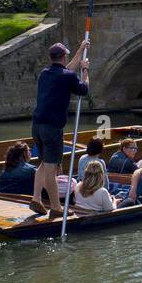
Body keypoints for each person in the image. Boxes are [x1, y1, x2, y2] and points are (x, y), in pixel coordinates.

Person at [30, 40, 89, 216]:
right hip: (51, 128)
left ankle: (36, 199)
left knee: (43, 164)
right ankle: (56, 208)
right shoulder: (67, 77)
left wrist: (80, 50)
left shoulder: (45, 73)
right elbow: (84, 89)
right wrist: (85, 70)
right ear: (63, 57)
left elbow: (67, 71)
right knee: (51, 168)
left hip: (37, 126)